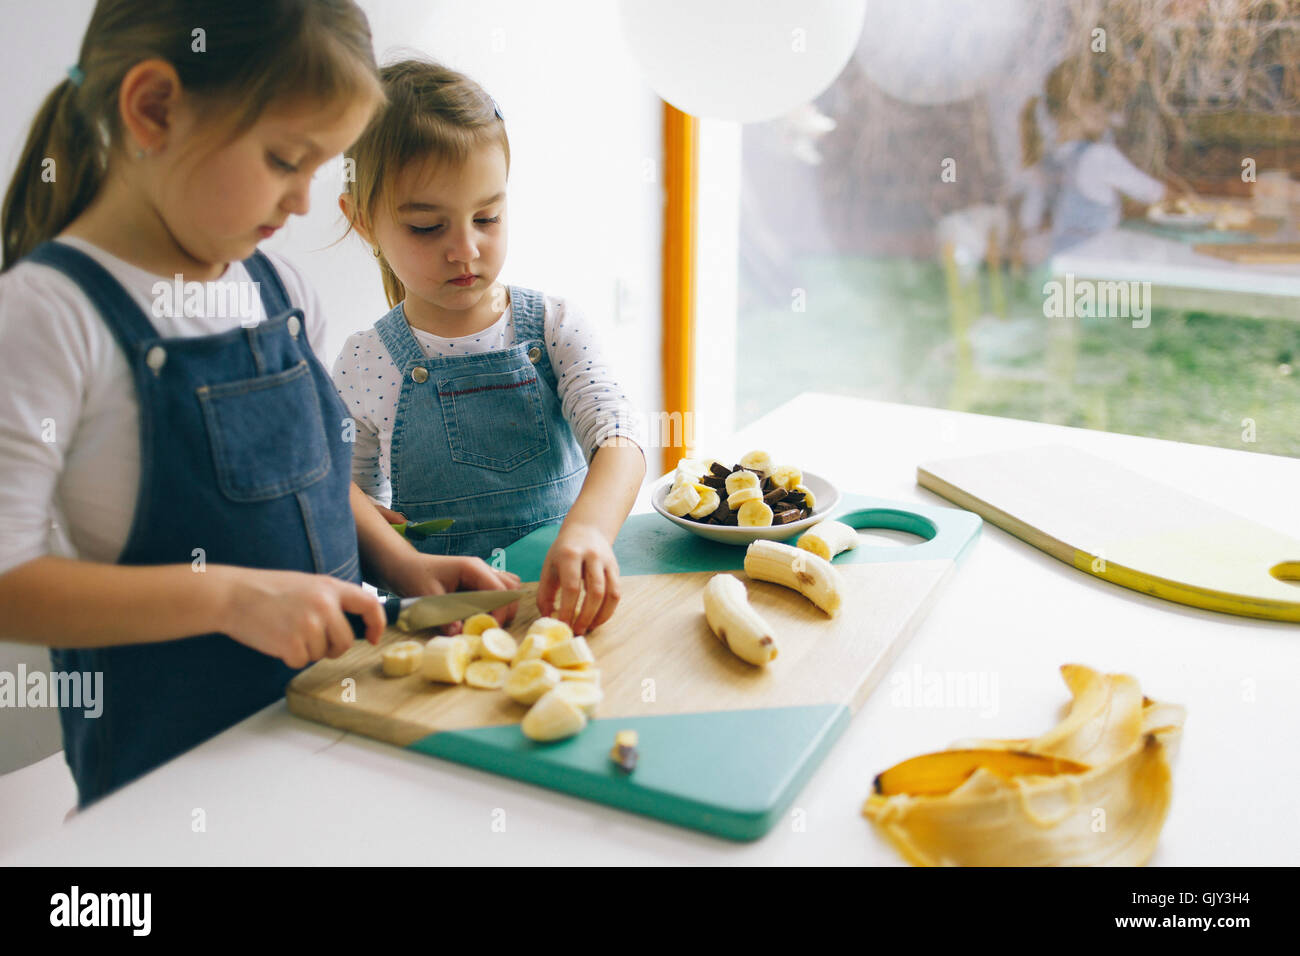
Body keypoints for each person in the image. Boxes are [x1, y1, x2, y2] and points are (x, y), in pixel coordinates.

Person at [0, 0, 519, 809]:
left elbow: (305, 477)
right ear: (154, 108)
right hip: (171, 782)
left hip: (337, 734)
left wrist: (401, 561)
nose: (305, 201)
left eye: (323, 167)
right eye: (285, 159)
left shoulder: (277, 289)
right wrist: (231, 597)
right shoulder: (48, 314)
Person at [334, 60, 646, 637]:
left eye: (487, 217)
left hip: (569, 615)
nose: (465, 249)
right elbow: (342, 492)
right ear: (362, 222)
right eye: (427, 227)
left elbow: (620, 439)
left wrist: (589, 531)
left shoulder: (554, 326)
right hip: (446, 630)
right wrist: (392, 551)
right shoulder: (366, 362)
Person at [1018, 61, 1168, 258]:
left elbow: (1028, 221)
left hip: (1059, 262)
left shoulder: (1046, 160)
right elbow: (1152, 192)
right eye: (1108, 107)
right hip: (1096, 263)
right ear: (1090, 109)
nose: (1111, 116)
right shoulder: (1099, 157)